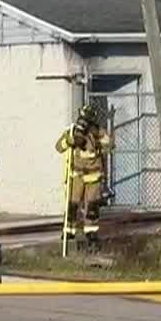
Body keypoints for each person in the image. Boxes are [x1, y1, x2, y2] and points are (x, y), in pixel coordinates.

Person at [55, 104, 113, 245]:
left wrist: (97, 138)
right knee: (72, 204)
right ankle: (69, 231)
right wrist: (70, 141)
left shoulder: (97, 131)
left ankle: (91, 232)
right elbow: (58, 146)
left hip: (94, 176)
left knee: (92, 206)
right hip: (77, 176)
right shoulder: (72, 131)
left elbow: (110, 144)